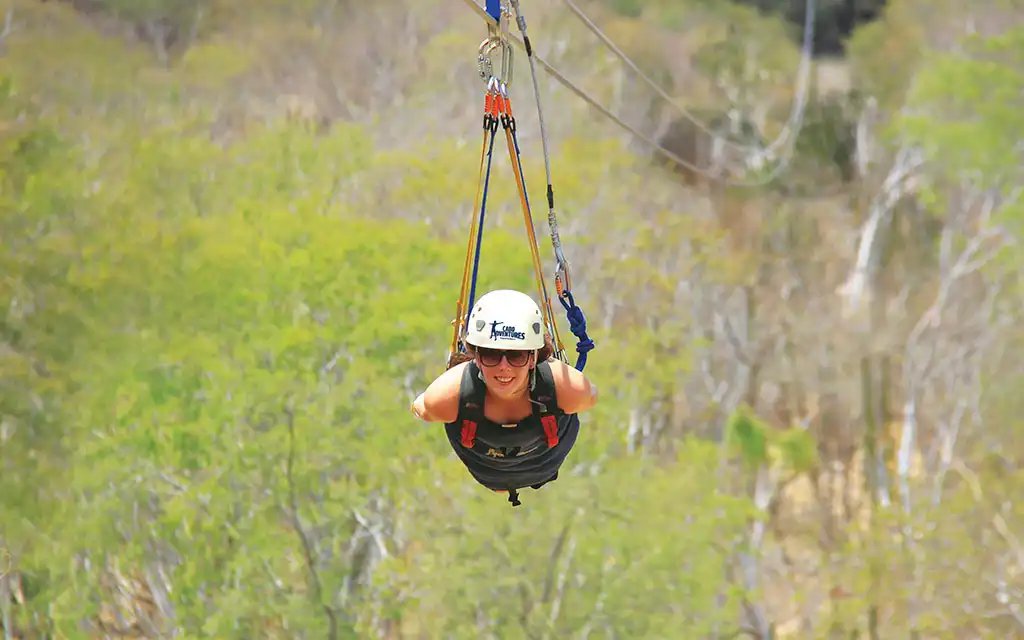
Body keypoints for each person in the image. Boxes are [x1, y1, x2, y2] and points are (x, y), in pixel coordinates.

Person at [412, 289, 598, 506]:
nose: (503, 368)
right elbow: (421, 408)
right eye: (491, 354)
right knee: (499, 484)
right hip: (487, 471)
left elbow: (590, 395)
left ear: (533, 358)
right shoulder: (446, 397)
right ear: (476, 357)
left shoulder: (568, 389)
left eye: (515, 355)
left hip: (545, 464)